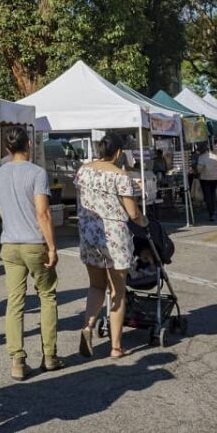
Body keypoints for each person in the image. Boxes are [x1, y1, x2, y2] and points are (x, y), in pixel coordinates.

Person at [0, 126, 59, 381]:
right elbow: (43, 213)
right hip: (34, 243)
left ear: (7, 148)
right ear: (29, 144)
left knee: (15, 302)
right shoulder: (37, 173)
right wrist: (52, 247)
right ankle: (49, 356)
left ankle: (17, 360)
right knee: (47, 296)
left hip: (9, 245)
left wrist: (13, 212)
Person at [74, 134, 149, 359]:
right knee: (117, 291)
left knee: (96, 286)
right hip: (114, 236)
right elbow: (133, 213)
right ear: (118, 153)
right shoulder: (120, 176)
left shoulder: (83, 171)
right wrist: (145, 222)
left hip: (88, 234)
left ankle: (87, 326)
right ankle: (116, 347)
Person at [195, 142, 217, 222]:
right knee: (213, 194)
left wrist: (195, 169)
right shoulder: (216, 157)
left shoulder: (201, 157)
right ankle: (213, 210)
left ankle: (211, 213)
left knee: (208, 197)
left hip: (205, 178)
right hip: (215, 178)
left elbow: (199, 170)